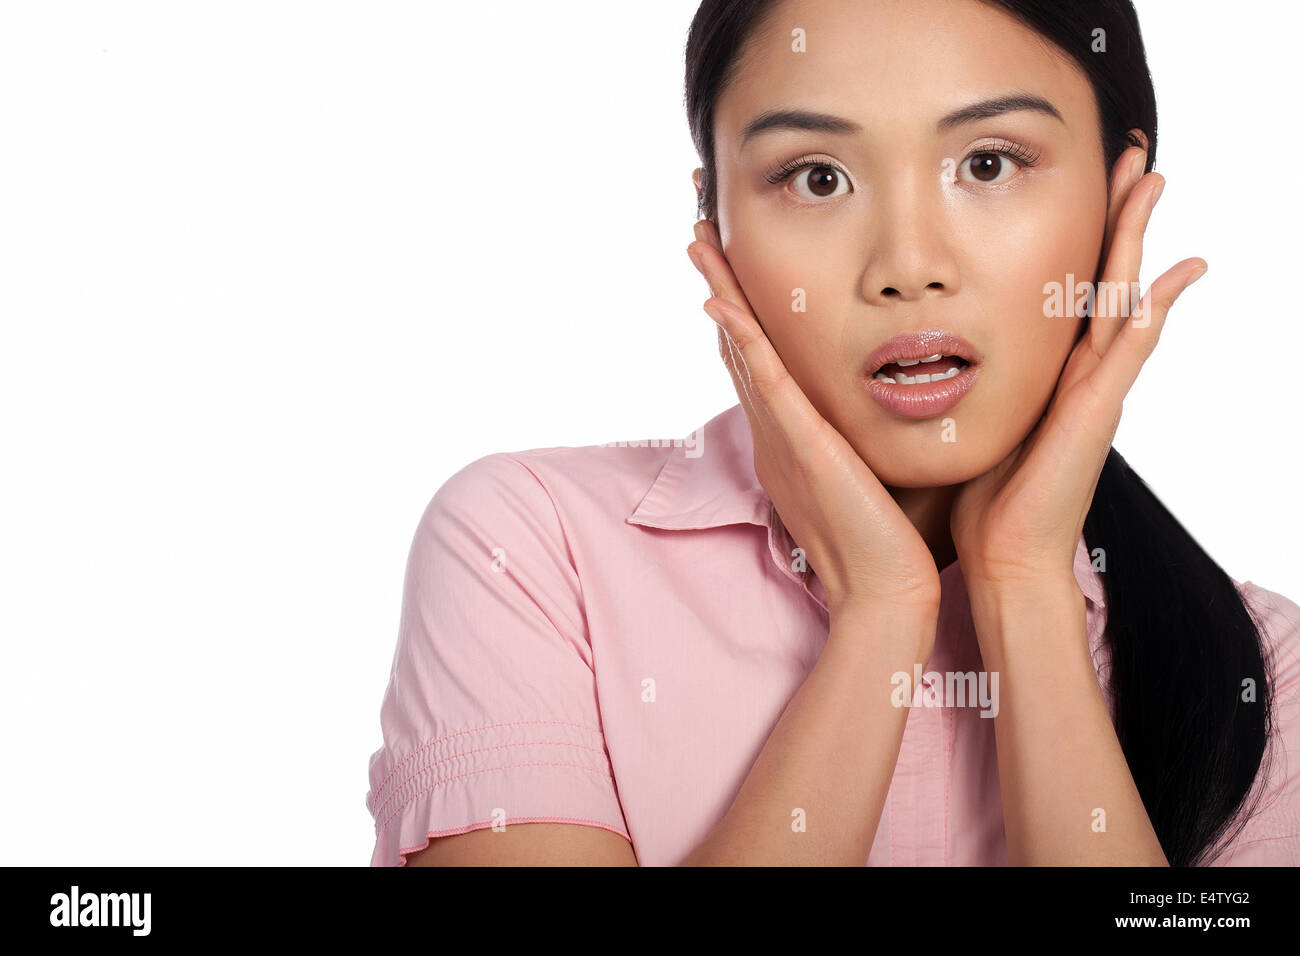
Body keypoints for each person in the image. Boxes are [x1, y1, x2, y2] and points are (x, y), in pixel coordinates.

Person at [364, 0, 1300, 866]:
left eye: (988, 163)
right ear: (713, 222)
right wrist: (878, 619)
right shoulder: (530, 551)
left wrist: (1024, 591)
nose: (908, 266)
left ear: (1120, 200)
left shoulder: (1268, 673)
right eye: (818, 178)